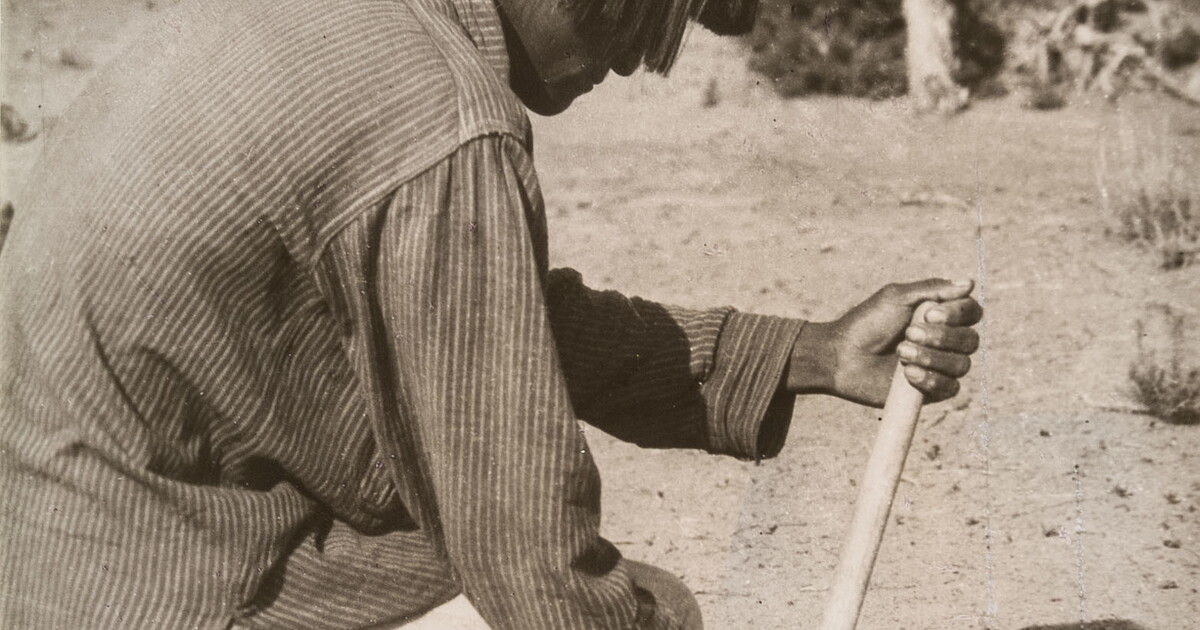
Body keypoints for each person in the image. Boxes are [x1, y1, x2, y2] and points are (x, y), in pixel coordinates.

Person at [0, 0, 982, 628]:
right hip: (168, 587)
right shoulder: (438, 116)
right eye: (648, 17)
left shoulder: (346, 26)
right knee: (650, 611)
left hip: (56, 560)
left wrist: (807, 355)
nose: (637, 63)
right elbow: (531, 557)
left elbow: (491, 325)